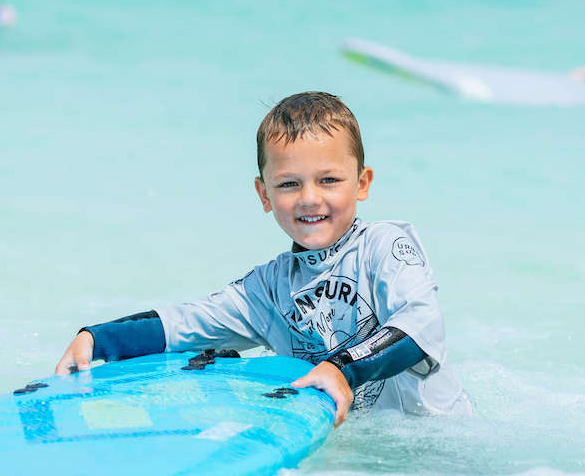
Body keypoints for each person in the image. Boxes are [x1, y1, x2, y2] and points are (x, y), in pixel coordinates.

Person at [53, 92, 468, 426]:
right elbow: (188, 323)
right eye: (289, 184)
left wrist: (342, 368)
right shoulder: (270, 289)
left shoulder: (383, 246)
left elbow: (420, 324)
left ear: (362, 183)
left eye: (329, 180)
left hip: (440, 444)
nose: (309, 198)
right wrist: (99, 338)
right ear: (264, 194)